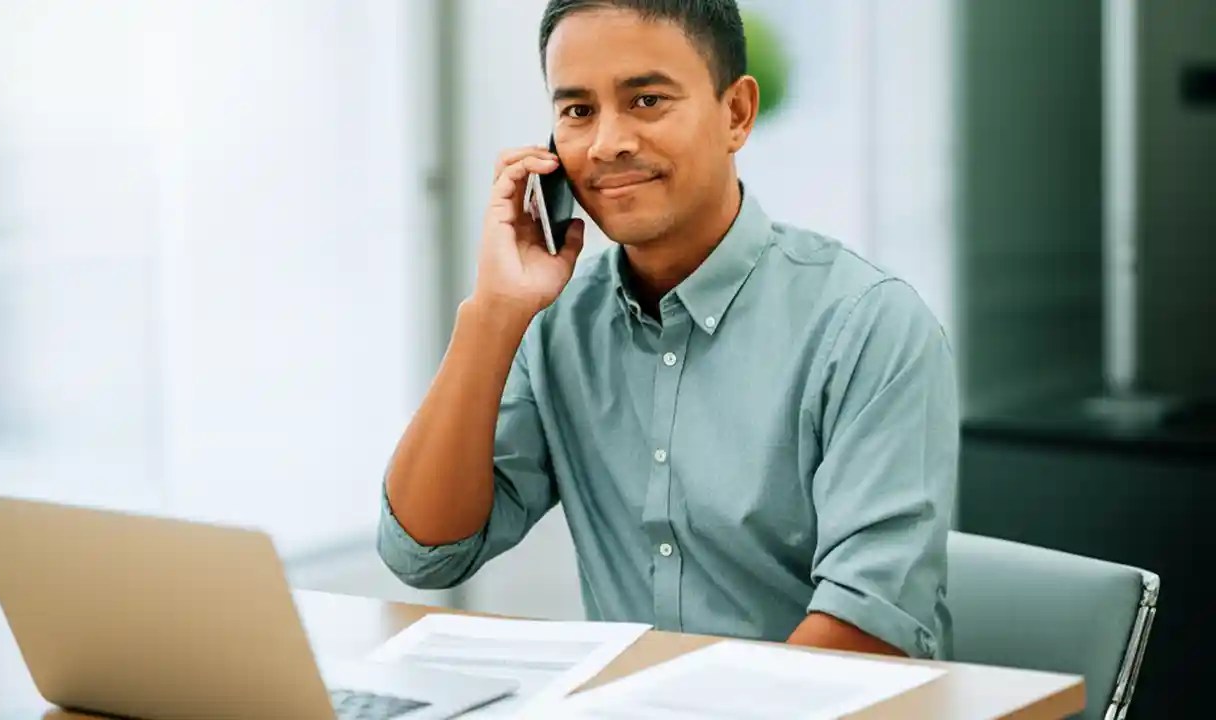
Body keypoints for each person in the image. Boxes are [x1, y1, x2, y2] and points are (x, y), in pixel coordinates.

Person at [379, 0, 956, 660]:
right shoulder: (560, 327)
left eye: (646, 100)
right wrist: (492, 314)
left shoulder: (869, 325)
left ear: (735, 113)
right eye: (577, 111)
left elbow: (867, 625)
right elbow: (423, 552)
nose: (607, 143)